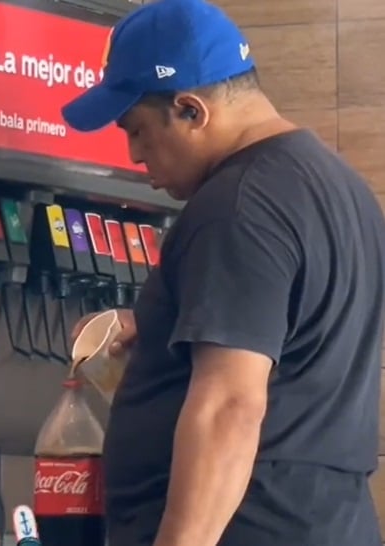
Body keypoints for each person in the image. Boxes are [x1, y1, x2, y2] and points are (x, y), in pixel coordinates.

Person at [62, 1, 385, 545]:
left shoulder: (237, 207)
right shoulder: (341, 190)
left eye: (137, 130)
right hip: (326, 520)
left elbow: (231, 405)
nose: (135, 155)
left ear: (191, 110)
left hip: (250, 526)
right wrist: (174, 325)